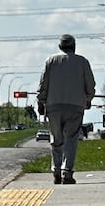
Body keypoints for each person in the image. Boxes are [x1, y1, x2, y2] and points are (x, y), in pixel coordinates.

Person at [37, 34, 96, 185]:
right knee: (71, 139)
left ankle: (56, 170)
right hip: (75, 106)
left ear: (60, 46)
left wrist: (41, 101)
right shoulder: (82, 62)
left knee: (56, 139)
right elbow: (90, 83)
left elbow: (44, 83)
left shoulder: (51, 61)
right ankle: (66, 171)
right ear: (74, 46)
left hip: (53, 106)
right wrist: (88, 99)